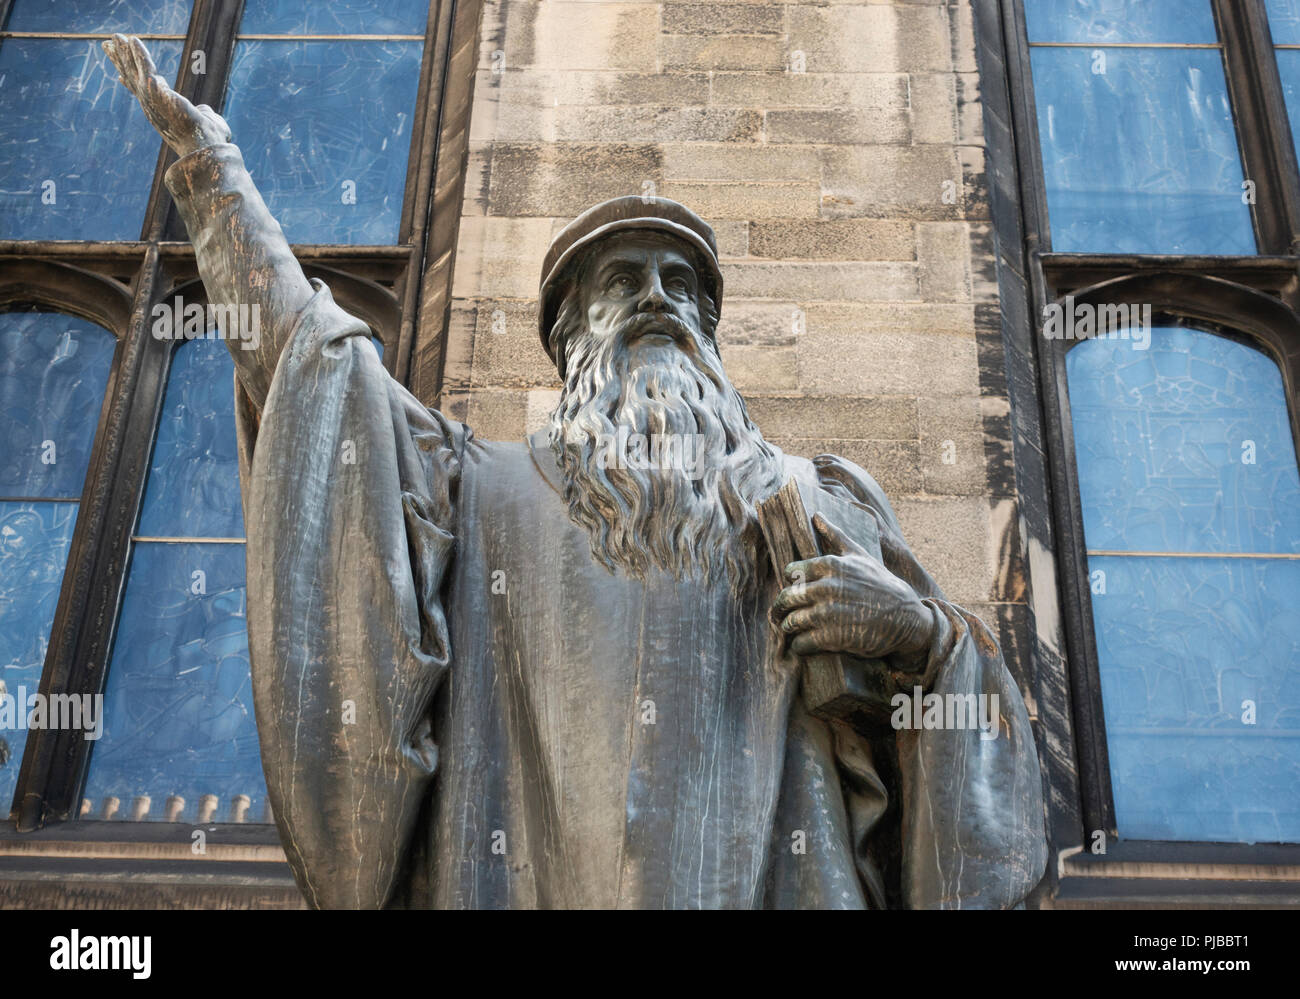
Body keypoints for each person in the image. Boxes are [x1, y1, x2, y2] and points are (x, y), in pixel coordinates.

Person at [102, 34, 1047, 909]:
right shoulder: (469, 491)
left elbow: (962, 789)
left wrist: (920, 636)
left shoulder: (809, 502)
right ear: (568, 335)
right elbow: (315, 369)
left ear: (712, 336)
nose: (658, 300)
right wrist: (213, 178)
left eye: (682, 285)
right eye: (623, 279)